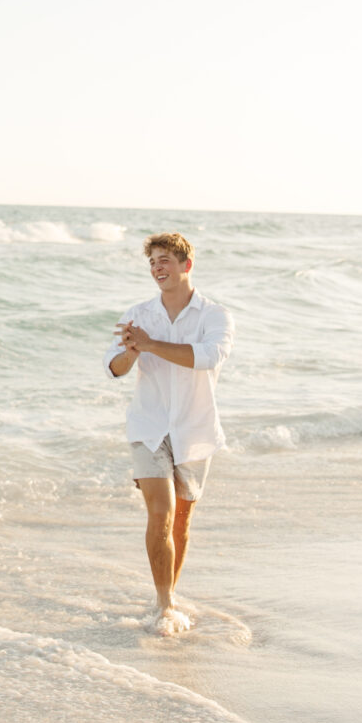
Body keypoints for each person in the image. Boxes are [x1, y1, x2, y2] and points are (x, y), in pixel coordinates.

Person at [104, 233, 234, 636]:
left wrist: (150, 344)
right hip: (148, 425)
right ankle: (164, 606)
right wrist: (132, 351)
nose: (158, 268)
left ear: (185, 265)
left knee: (180, 522)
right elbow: (113, 367)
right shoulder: (139, 314)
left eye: (165, 261)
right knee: (160, 513)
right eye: (153, 262)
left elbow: (208, 357)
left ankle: (169, 595)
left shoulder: (215, 316)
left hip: (194, 428)